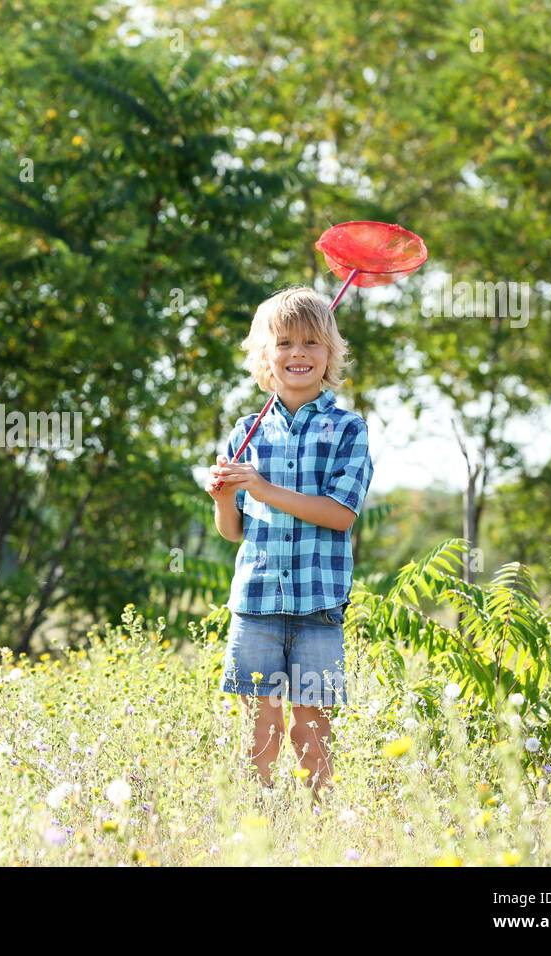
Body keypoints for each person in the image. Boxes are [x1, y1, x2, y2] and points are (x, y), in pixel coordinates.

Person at [205, 286, 374, 805]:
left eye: (311, 343)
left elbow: (340, 515)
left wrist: (260, 487)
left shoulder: (348, 429)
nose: (297, 352)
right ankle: (259, 819)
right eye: (284, 343)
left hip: (317, 603)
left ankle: (317, 820)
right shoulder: (244, 431)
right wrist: (224, 498)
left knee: (311, 719)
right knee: (260, 717)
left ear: (329, 356)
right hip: (255, 599)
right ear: (264, 356)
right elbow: (232, 531)